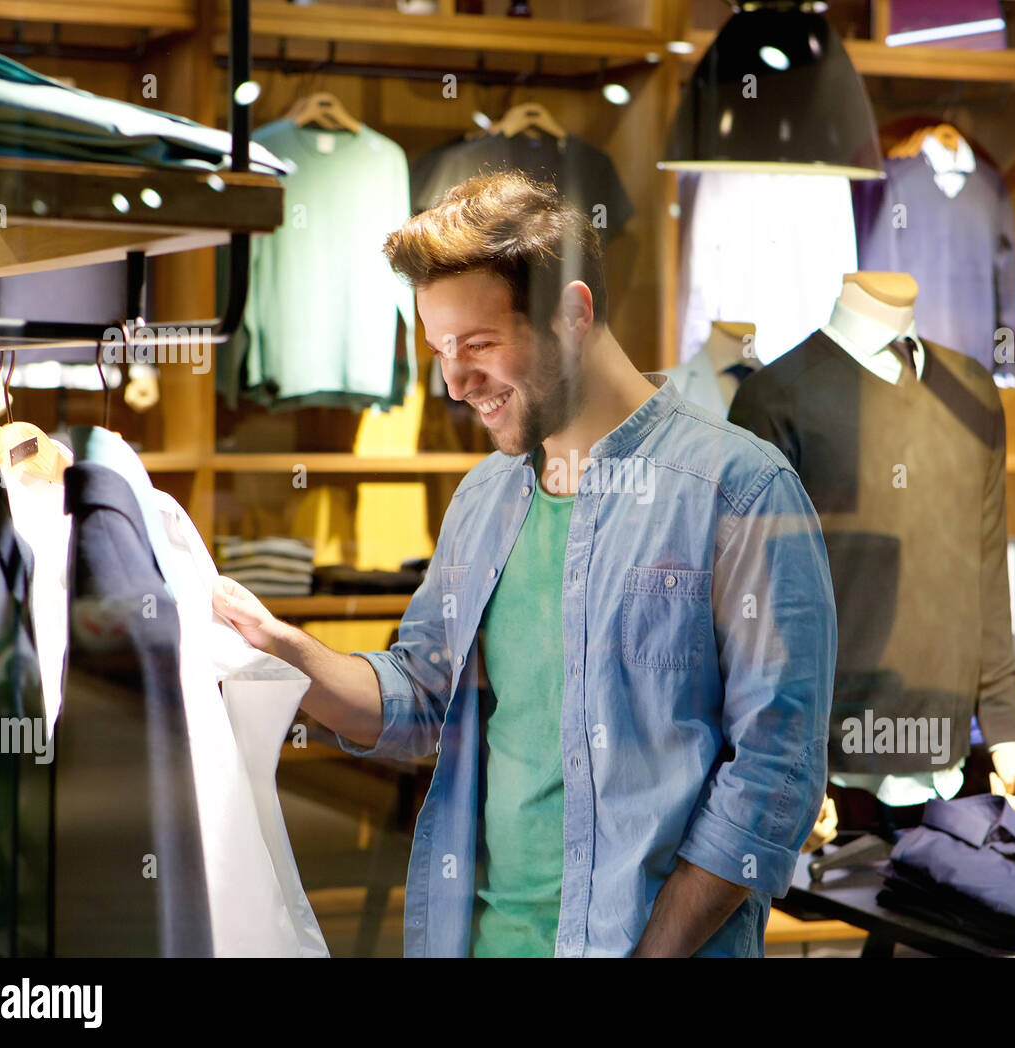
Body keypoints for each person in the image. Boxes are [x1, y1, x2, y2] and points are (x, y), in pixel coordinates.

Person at [214, 171, 837, 957]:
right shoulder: (482, 500)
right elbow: (419, 701)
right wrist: (281, 648)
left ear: (573, 313)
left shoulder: (738, 491)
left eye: (478, 345)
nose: (454, 380)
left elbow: (775, 776)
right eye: (441, 349)